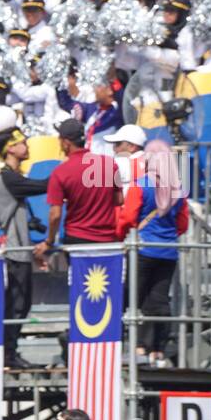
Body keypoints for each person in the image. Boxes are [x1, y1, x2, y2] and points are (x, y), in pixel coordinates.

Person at [116, 141, 189, 368]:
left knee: (136, 298)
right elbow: (183, 223)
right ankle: (159, 348)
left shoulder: (141, 185)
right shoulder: (177, 190)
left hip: (144, 249)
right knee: (159, 299)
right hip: (168, 251)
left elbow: (128, 218)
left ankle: (139, 347)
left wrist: (120, 235)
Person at [0, 127, 49, 369]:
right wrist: (66, 176)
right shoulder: (8, 178)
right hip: (12, 252)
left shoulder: (12, 178)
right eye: (22, 142)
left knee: (21, 304)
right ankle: (8, 355)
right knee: (17, 305)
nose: (27, 146)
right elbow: (40, 185)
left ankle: (9, 353)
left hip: (19, 250)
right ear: (10, 148)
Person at [35, 118, 123, 260]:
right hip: (107, 239)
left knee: (80, 282)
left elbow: (55, 215)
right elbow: (119, 200)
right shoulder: (109, 164)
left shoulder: (60, 172)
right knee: (105, 281)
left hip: (77, 240)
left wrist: (49, 241)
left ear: (66, 143)